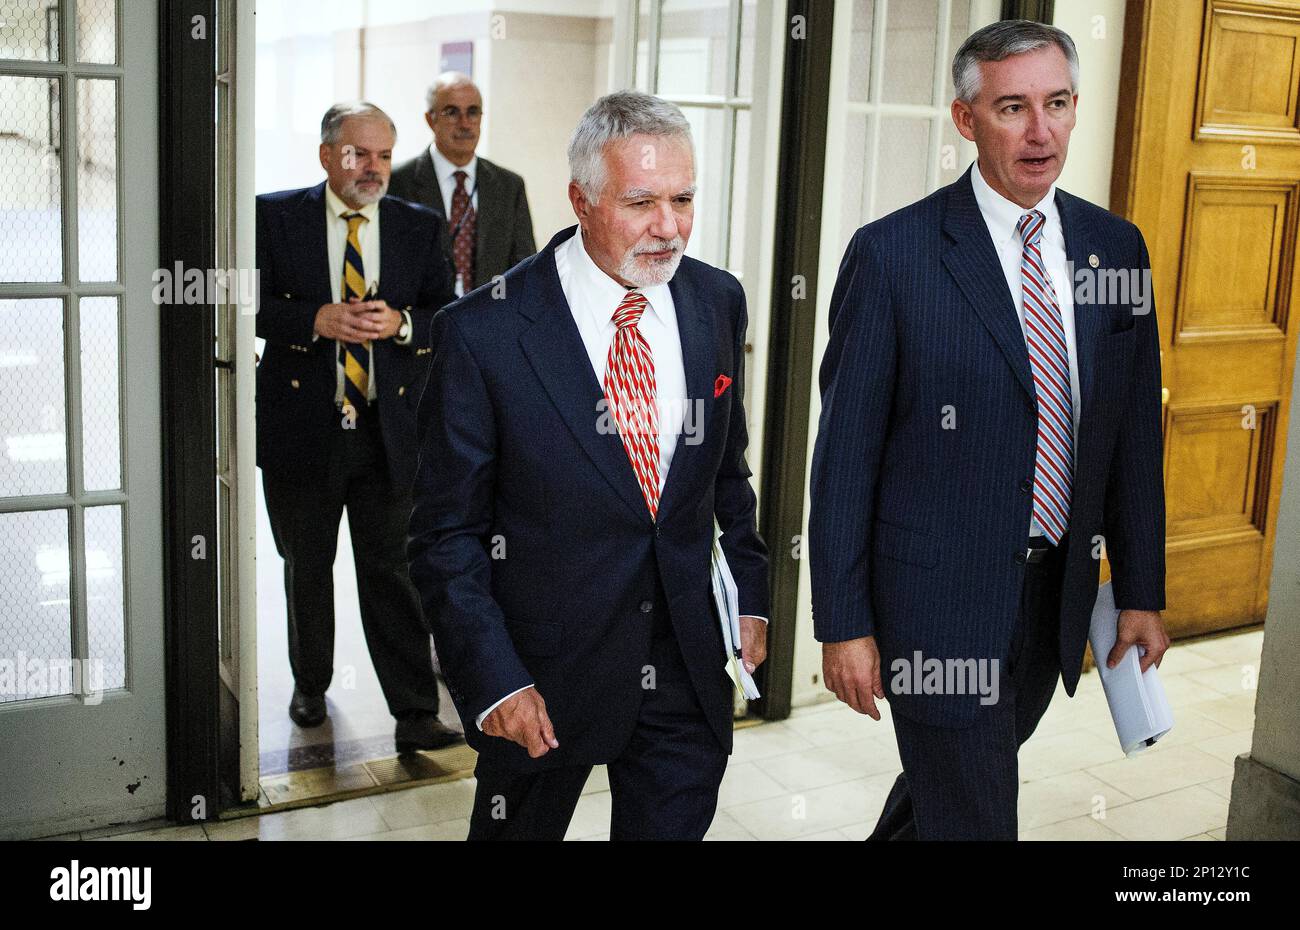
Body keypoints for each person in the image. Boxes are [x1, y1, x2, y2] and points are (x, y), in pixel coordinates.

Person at [809, 20, 1170, 840]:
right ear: (966, 120)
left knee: (946, 794)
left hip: (1052, 606)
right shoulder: (894, 256)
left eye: (1057, 104)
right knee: (975, 814)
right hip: (934, 607)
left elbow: (1131, 440)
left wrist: (1141, 589)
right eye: (1013, 107)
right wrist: (844, 623)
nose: (1041, 131)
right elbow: (844, 462)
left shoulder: (1117, 250)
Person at [407, 90, 770, 840]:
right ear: (580, 199)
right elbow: (447, 537)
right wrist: (495, 677)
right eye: (641, 202)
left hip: (683, 666)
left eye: (683, 198)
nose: (669, 227)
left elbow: (725, 477)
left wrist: (752, 597)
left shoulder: (715, 302)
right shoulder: (484, 333)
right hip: (542, 673)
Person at [256, 102, 461, 753]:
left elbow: (446, 314)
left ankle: (414, 710)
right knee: (307, 565)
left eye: (381, 155)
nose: (372, 168)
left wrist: (400, 325)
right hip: (301, 429)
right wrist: (312, 319)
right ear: (327, 156)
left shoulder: (419, 226)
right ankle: (311, 685)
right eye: (357, 154)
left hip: (389, 432)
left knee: (393, 570)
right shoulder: (272, 215)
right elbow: (242, 302)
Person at [389, 72, 536, 297]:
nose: (465, 123)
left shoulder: (509, 186)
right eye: (452, 112)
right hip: (421, 322)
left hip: (488, 319)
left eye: (473, 112)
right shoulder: (398, 181)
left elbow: (523, 267)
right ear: (431, 119)